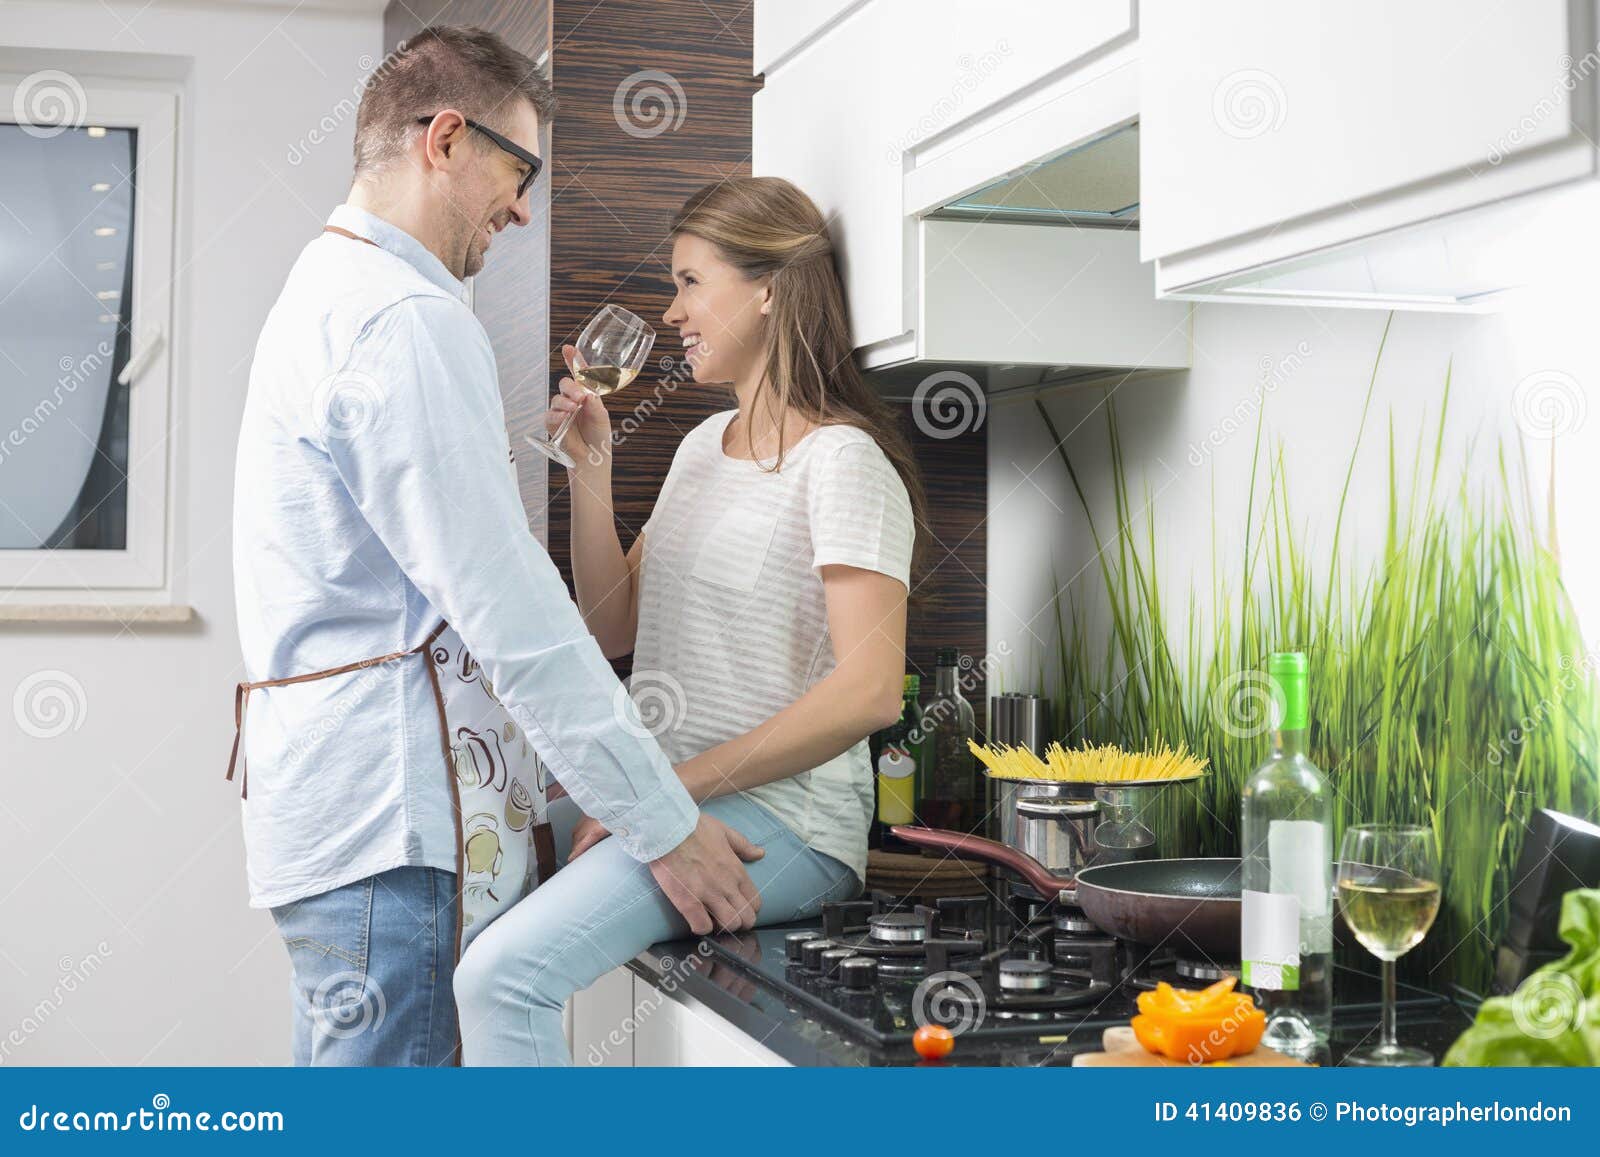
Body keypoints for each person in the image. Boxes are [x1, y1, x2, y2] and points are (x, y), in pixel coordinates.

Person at [232, 25, 760, 1067]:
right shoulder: (403, 319)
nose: (522, 207)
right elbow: (507, 606)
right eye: (517, 170)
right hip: (393, 824)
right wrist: (661, 818)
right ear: (443, 139)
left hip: (336, 817)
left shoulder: (327, 288)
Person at [453, 176, 926, 1065]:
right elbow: (613, 627)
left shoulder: (843, 463)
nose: (672, 313)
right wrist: (588, 471)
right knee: (458, 883)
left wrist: (668, 795)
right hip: (680, 797)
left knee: (499, 977)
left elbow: (867, 693)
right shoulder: (700, 448)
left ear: (769, 290)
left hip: (791, 826)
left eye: (688, 281)